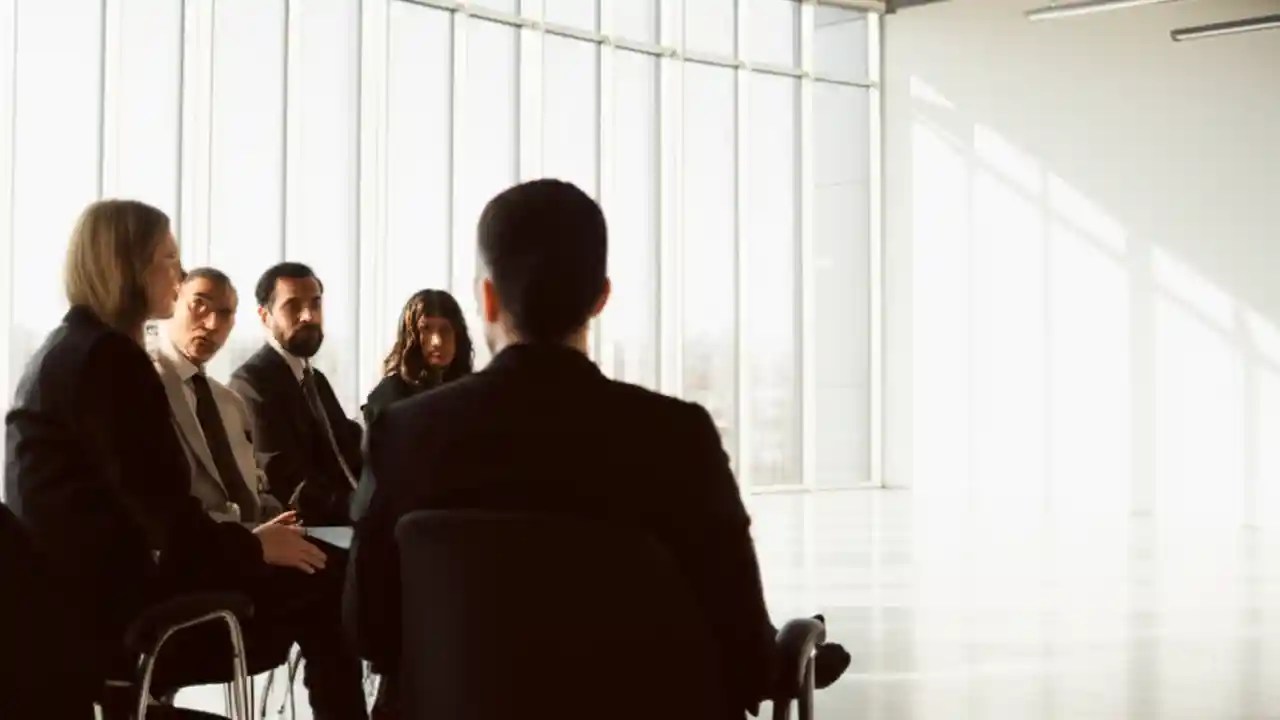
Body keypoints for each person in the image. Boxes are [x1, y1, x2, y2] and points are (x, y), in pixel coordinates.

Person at [345, 180, 849, 718]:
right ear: (601, 296)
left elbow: (370, 632)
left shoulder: (405, 434)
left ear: (487, 298)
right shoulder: (677, 437)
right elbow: (746, 656)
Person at [2, 200, 327, 708]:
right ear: (129, 267)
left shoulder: (62, 351)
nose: (177, 273)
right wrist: (256, 546)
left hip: (63, 612)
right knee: (325, 582)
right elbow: (170, 526)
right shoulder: (111, 362)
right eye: (168, 259)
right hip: (120, 618)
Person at [151, 267, 368, 718]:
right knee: (334, 580)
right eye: (200, 305)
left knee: (345, 569)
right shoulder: (148, 385)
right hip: (202, 556)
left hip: (255, 540)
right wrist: (258, 540)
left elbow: (259, 487)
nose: (213, 323)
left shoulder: (228, 401)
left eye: (225, 314)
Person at [229, 263, 363, 526]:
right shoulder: (252, 383)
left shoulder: (315, 380)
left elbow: (346, 451)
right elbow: (286, 484)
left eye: (315, 304)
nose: (308, 316)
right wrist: (361, 509)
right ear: (265, 316)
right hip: (303, 534)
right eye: (293, 306)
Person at [362, 288, 473, 426]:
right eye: (426, 329)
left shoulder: (472, 395)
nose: (437, 341)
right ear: (411, 336)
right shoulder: (390, 399)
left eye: (445, 330)